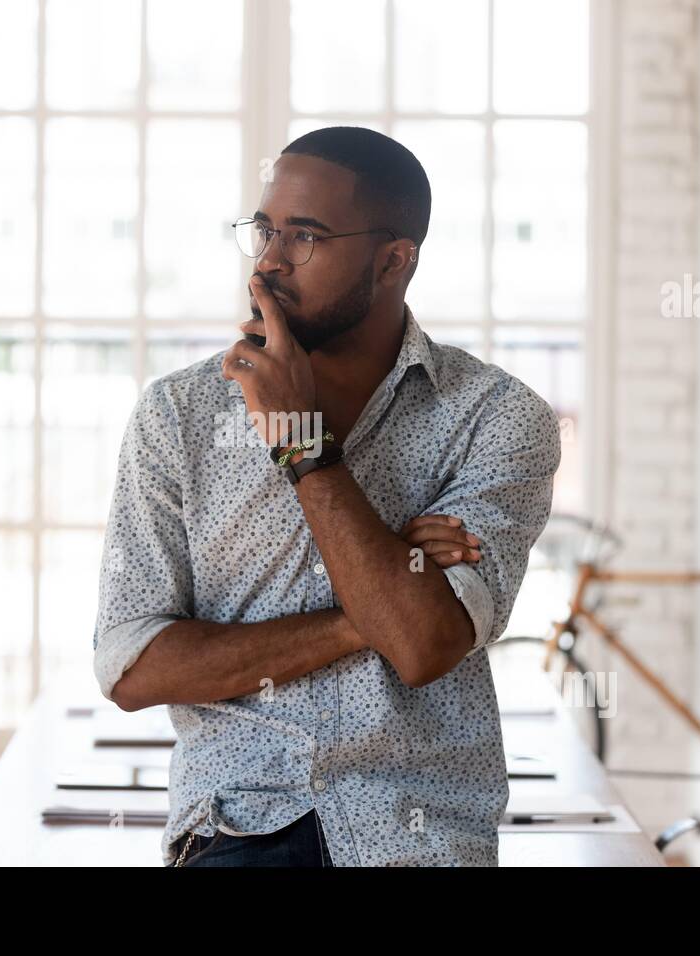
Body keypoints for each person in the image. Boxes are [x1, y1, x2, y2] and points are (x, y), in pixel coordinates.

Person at [93, 126, 560, 866]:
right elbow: (133, 667)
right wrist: (367, 612)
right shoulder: (179, 416)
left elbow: (423, 646)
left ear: (393, 259)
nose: (271, 260)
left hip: (419, 835)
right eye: (265, 230)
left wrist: (302, 446)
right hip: (239, 828)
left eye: (305, 236)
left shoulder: (497, 419)